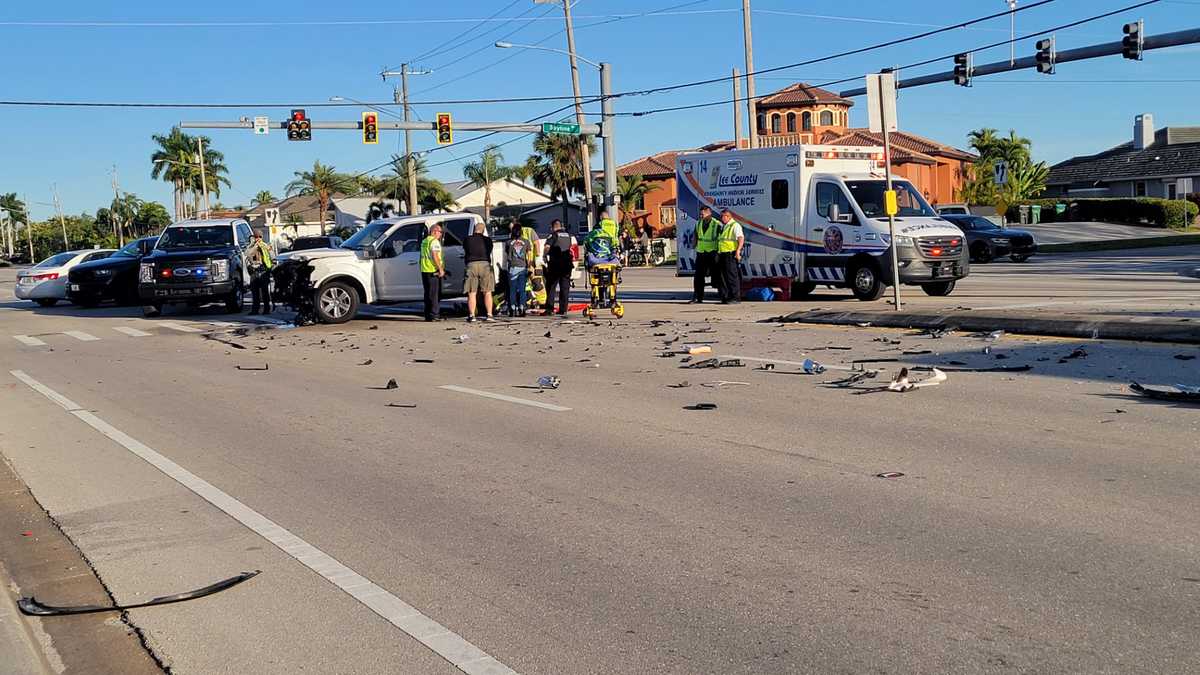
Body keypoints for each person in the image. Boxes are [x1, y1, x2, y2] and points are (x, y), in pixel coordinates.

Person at [463, 221, 495, 322]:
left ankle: (472, 315)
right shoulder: (488, 240)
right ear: (483, 230)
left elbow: (466, 250)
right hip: (485, 264)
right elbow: (489, 250)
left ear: (474, 230)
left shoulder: (467, 239)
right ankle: (489, 315)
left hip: (471, 265)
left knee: (472, 292)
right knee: (487, 292)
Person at [689, 205, 720, 304]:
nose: (701, 216)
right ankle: (697, 297)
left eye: (703, 214)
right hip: (701, 253)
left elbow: (721, 238)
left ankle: (724, 296)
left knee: (718, 276)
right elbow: (695, 236)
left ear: (709, 213)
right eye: (700, 214)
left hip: (713, 252)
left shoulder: (716, 224)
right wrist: (693, 246)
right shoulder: (698, 223)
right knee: (698, 276)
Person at [543, 219, 574, 316]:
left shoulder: (553, 235)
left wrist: (545, 255)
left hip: (555, 265)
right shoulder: (568, 235)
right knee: (565, 288)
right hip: (567, 265)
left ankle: (549, 308)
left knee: (551, 287)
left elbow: (547, 247)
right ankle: (563, 309)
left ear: (553, 227)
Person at [717, 209, 745, 304]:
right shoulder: (724, 226)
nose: (721, 218)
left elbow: (740, 238)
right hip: (722, 253)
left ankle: (735, 297)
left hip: (730, 254)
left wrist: (738, 251)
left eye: (723, 216)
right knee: (723, 277)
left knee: (732, 276)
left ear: (728, 216)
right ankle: (726, 297)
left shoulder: (735, 225)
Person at [420, 223, 445, 321]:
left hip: (425, 270)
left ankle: (428, 315)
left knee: (427, 294)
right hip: (433, 270)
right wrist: (440, 269)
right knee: (434, 295)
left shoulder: (425, 241)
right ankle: (434, 315)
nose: (441, 234)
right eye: (440, 232)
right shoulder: (434, 242)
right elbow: (434, 256)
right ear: (434, 231)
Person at [506, 231, 533, 317]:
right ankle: (522, 307)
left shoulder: (509, 242)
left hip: (513, 267)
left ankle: (513, 308)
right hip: (522, 267)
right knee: (522, 289)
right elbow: (529, 254)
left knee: (512, 290)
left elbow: (508, 255)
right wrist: (529, 265)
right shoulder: (526, 241)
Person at [248, 231, 274, 315]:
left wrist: (270, 269)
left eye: (259, 237)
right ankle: (255, 310)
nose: (258, 238)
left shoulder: (266, 246)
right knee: (255, 293)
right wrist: (254, 246)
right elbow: (247, 254)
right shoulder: (251, 246)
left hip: (264, 271)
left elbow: (272, 257)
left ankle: (266, 309)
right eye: (256, 237)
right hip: (254, 271)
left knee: (265, 292)